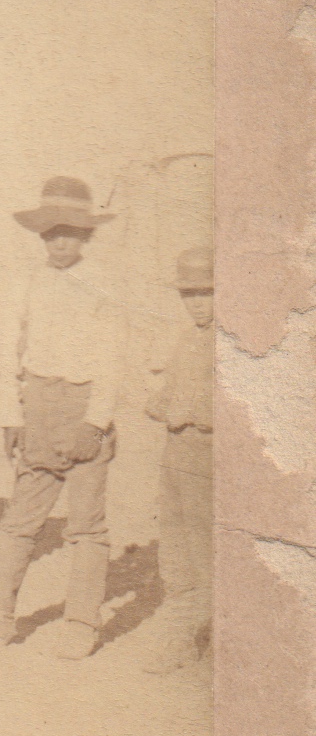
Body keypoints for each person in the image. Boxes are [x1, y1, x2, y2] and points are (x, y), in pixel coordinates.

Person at [0, 175, 123, 657]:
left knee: (86, 526)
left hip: (82, 412)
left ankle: (81, 622)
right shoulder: (27, 283)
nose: (61, 241)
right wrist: (11, 417)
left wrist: (95, 423)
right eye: (52, 231)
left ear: (87, 236)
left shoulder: (103, 287)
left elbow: (112, 360)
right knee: (19, 521)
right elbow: (6, 351)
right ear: (41, 235)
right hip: (38, 409)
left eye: (72, 232)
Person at [139, 246, 215, 674]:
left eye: (206, 292)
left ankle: (222, 647)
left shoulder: (236, 342)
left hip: (209, 453)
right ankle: (182, 639)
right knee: (176, 548)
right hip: (177, 451)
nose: (197, 302)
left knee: (208, 551)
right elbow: (165, 394)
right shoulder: (187, 337)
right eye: (189, 294)